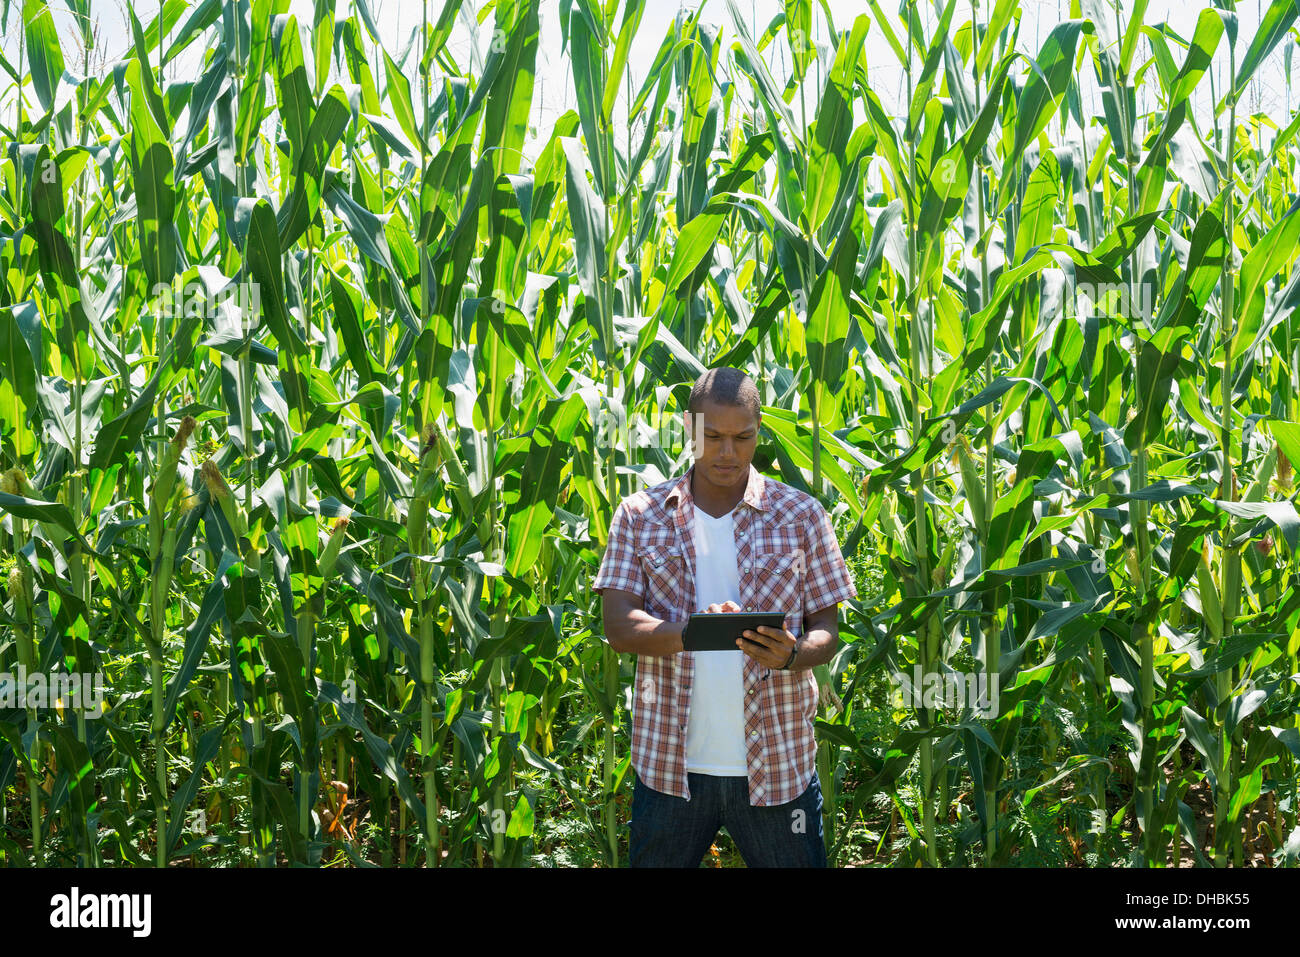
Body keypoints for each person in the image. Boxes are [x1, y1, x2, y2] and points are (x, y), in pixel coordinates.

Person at [593, 367, 857, 867]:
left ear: (759, 431)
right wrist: (693, 633)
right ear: (688, 429)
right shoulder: (640, 515)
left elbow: (827, 631)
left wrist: (793, 654)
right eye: (712, 437)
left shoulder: (802, 516)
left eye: (743, 437)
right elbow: (619, 627)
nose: (728, 453)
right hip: (670, 770)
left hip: (779, 768)